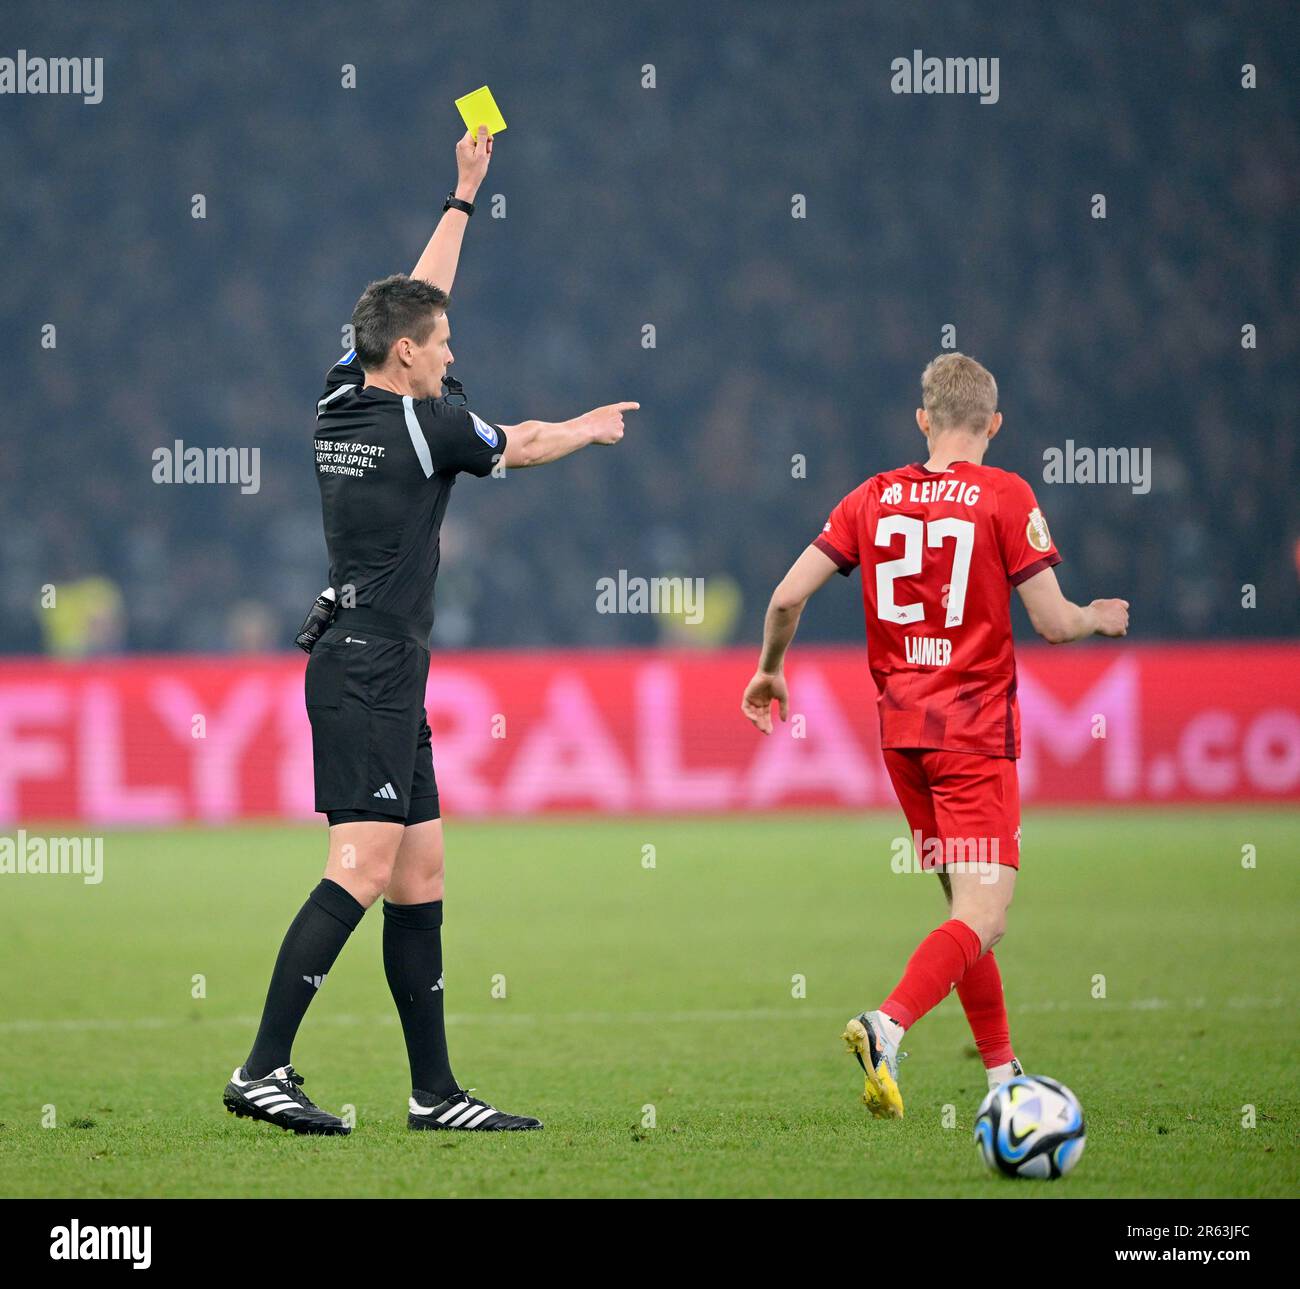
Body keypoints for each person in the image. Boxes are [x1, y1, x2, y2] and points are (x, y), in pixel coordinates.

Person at [223, 127, 639, 1135]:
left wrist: (461, 199)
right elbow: (523, 442)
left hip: (375, 660)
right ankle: (261, 1069)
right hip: (367, 666)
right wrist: (585, 428)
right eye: (443, 343)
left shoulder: (341, 396)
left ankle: (434, 1091)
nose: (454, 351)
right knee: (360, 868)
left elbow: (410, 302)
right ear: (408, 355)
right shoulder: (433, 426)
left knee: (420, 871)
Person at [740, 352, 1128, 1119]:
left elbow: (786, 597)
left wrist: (770, 670)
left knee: (964, 909)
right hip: (974, 729)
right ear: (995, 424)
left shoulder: (870, 498)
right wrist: (1095, 616)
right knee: (987, 914)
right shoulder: (1005, 495)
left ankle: (1002, 1077)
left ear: (922, 420)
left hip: (903, 733)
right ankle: (886, 1025)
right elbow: (1052, 623)